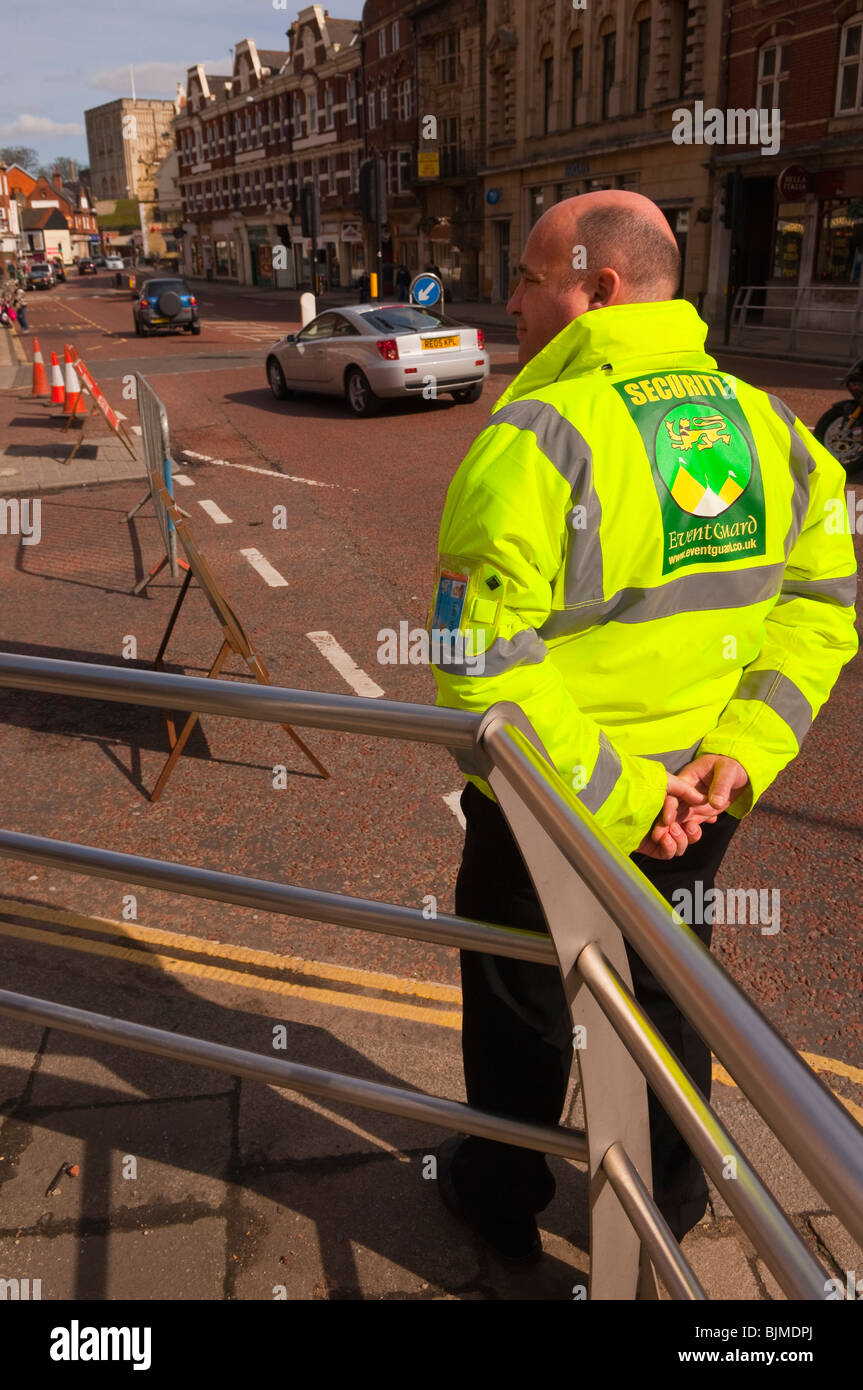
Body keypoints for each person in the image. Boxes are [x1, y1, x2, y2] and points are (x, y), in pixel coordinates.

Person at [429, 190, 858, 1263]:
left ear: (596, 287)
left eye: (528, 279)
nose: (511, 302)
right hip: (700, 798)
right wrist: (736, 758)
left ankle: (498, 1193)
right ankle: (665, 1204)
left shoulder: (535, 435)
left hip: (550, 802)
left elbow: (474, 659)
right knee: (669, 992)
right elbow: (820, 605)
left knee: (521, 999)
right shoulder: (770, 427)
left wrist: (622, 793)